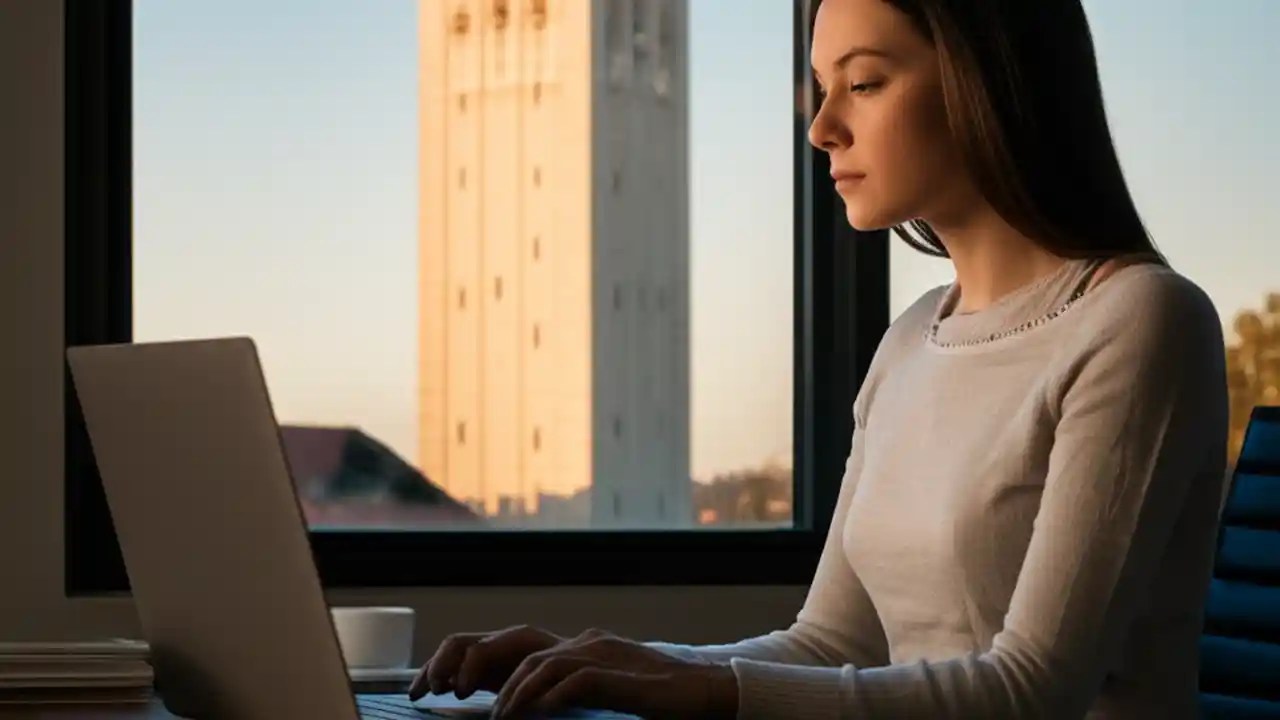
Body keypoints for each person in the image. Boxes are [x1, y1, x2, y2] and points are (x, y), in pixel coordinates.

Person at [408, 0, 1229, 716]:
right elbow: (829, 641)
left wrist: (706, 691)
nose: (821, 126)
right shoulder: (911, 338)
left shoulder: (1139, 318)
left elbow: (1032, 690)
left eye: (864, 84)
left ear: (991, 81)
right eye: (820, 86)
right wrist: (614, 664)